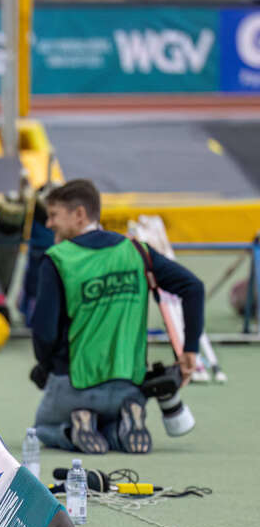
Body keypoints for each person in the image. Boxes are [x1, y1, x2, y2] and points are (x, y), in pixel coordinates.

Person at [32, 180, 204, 454]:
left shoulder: (58, 259)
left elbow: (44, 332)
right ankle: (124, 424)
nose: (49, 224)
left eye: (54, 215)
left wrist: (46, 367)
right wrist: (190, 349)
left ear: (79, 214)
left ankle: (76, 426)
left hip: (75, 384)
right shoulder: (137, 251)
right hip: (130, 387)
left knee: (43, 428)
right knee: (112, 425)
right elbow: (193, 287)